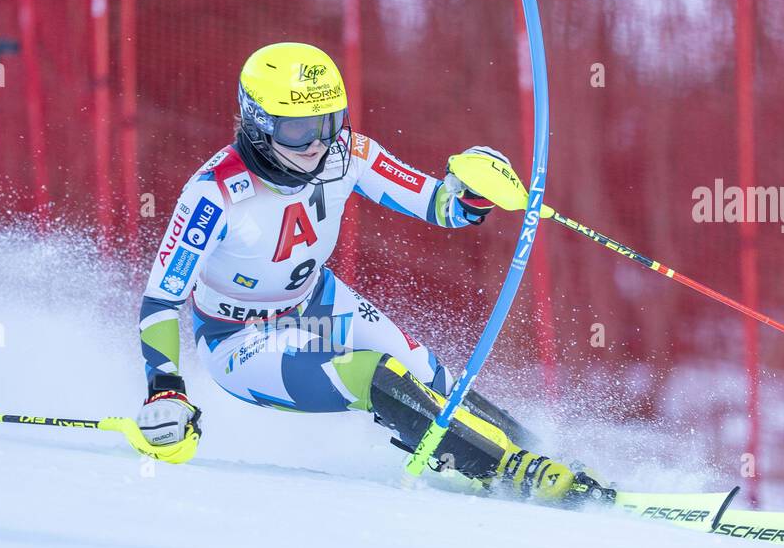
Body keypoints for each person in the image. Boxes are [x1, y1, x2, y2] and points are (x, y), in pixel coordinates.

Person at [134, 42, 606, 506]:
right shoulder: (213, 195)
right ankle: (508, 469)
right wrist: (166, 390)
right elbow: (161, 300)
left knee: (428, 374)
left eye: (329, 122)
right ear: (259, 123)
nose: (317, 144)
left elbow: (439, 205)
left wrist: (474, 190)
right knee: (373, 376)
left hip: (315, 302)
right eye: (298, 129)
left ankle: (540, 455)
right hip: (238, 338)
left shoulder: (347, 153)